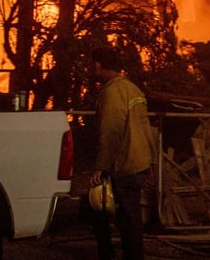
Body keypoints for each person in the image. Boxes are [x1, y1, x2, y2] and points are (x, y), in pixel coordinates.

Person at [88, 45, 155, 260]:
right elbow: (146, 127)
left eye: (92, 66)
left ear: (98, 65)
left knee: (119, 215)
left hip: (125, 164)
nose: (91, 70)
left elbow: (111, 131)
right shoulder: (132, 88)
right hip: (140, 161)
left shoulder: (112, 92)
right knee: (130, 215)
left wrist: (102, 166)